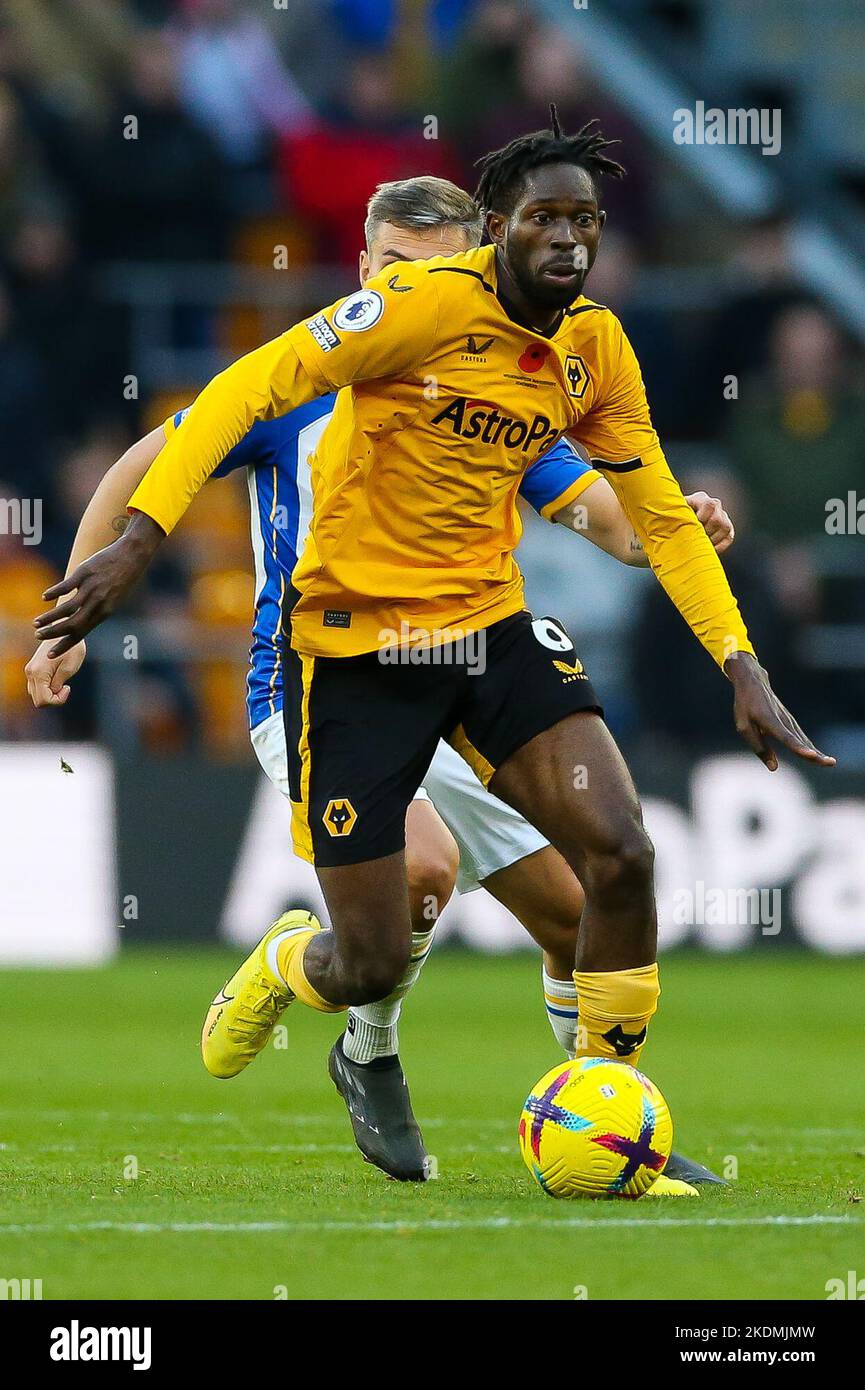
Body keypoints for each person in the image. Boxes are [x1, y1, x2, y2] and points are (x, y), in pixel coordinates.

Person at [34, 114, 832, 1195]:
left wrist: (665, 530)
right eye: (392, 267)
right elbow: (151, 459)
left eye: (435, 266)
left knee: (587, 896)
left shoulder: (515, 362)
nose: (412, 285)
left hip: (473, 643)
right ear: (366, 267)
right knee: (416, 875)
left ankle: (612, 1125)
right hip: (323, 666)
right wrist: (72, 613)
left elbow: (593, 505)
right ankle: (343, 1019)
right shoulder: (327, 367)